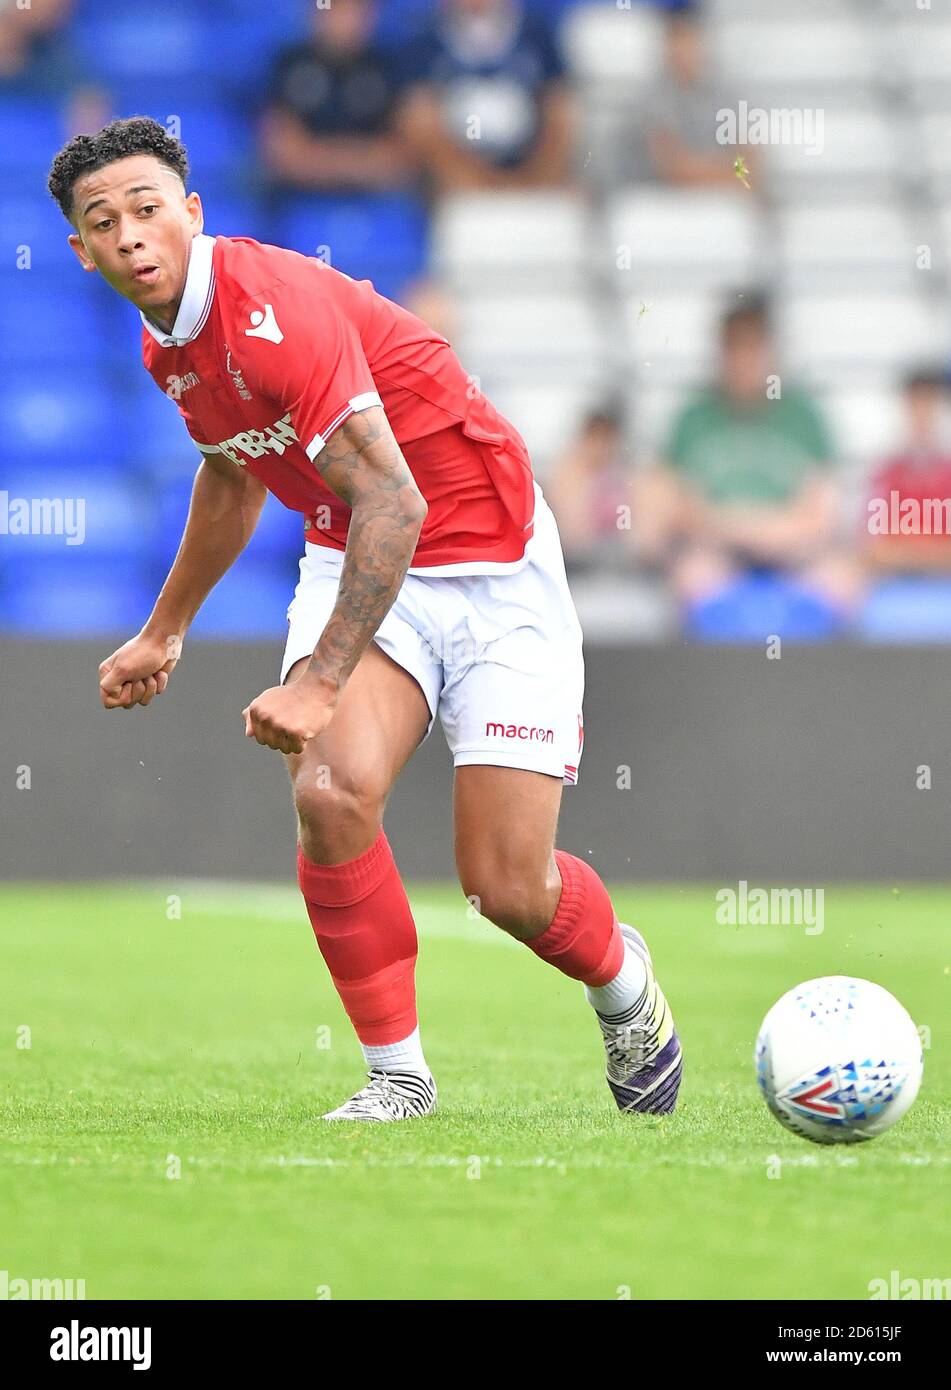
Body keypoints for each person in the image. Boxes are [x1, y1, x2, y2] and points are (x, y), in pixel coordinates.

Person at [48, 117, 682, 1122]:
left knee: (508, 887)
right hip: (357, 549)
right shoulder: (164, 345)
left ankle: (623, 986)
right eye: (103, 221)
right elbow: (233, 471)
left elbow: (400, 498)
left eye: (147, 207)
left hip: (490, 560)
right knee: (333, 793)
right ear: (80, 250)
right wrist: (166, 627)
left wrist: (319, 679)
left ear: (191, 213)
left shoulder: (273, 310)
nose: (130, 234)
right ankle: (399, 1075)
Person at [633, 296, 850, 613]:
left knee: (841, 582)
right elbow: (671, 506)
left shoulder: (805, 416)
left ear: (771, 350)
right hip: (715, 554)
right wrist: (737, 531)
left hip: (793, 558)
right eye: (734, 347)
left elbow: (821, 517)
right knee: (692, 578)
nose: (743, 360)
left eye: (753, 347)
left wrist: (755, 532)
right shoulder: (692, 417)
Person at [396, 0, 575, 194]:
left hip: (530, 166)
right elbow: (418, 120)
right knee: (420, 117)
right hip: (456, 178)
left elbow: (559, 103)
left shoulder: (536, 35)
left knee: (567, 110)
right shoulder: (423, 41)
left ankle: (534, 191)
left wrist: (535, 176)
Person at [259, 0, 414, 193]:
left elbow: (402, 158)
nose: (345, 20)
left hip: (376, 197)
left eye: (354, 10)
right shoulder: (289, 64)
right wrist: (361, 159)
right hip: (300, 196)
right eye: (337, 10)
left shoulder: (389, 68)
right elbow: (284, 154)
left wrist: (317, 156)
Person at [864, 369, 951, 573]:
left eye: (928, 409)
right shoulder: (884, 475)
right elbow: (873, 549)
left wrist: (909, 550)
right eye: (914, 409)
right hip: (894, 587)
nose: (921, 420)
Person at [546, 406, 633, 572]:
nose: (600, 448)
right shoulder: (565, 475)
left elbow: (637, 535)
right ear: (585, 440)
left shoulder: (624, 475)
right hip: (574, 565)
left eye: (605, 441)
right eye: (596, 440)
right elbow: (572, 536)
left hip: (618, 562)